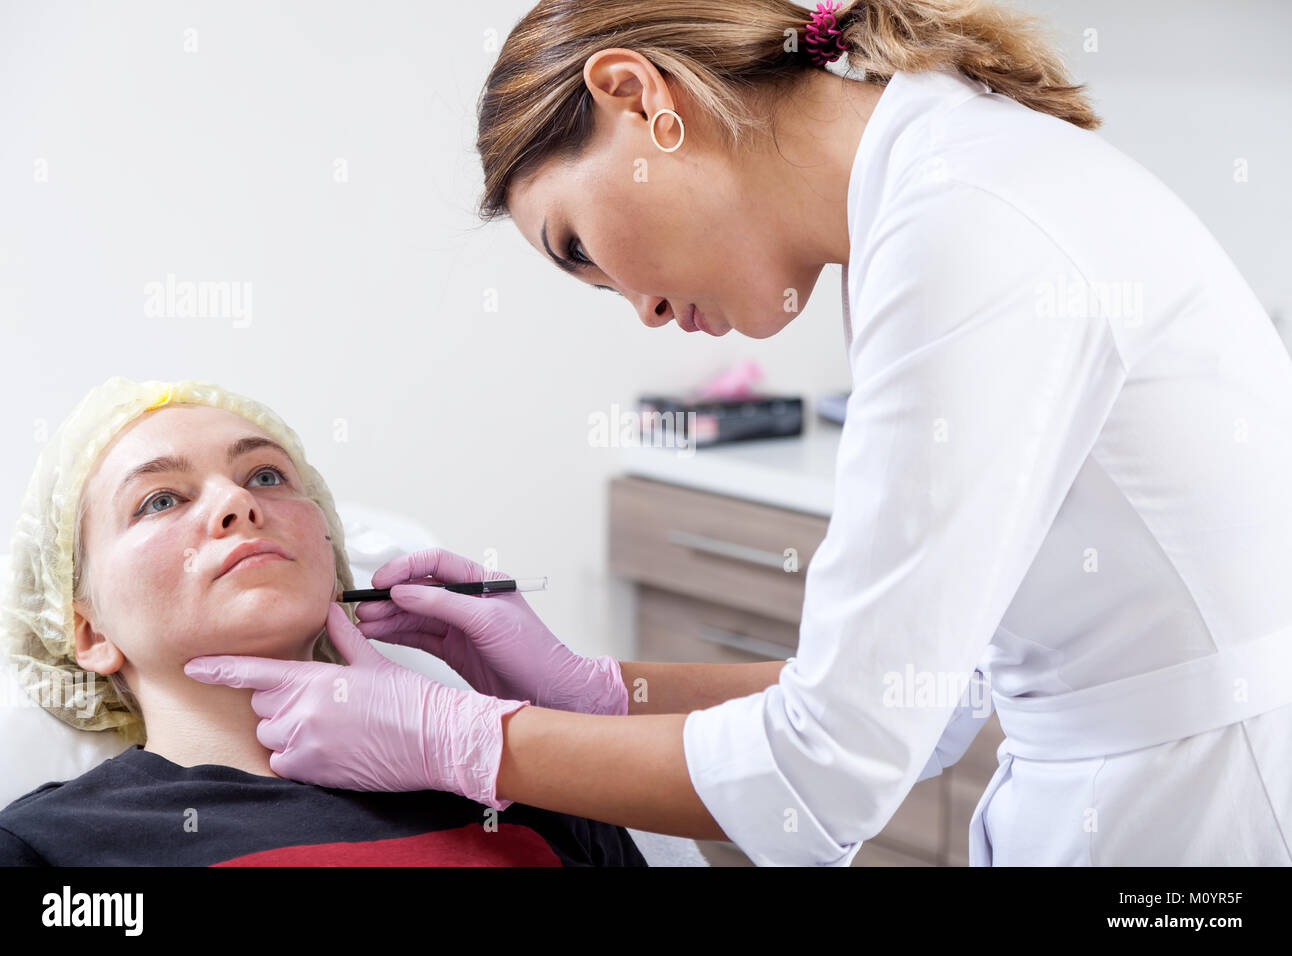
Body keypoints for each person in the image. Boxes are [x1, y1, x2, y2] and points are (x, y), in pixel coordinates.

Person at [189, 0, 1292, 866]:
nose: (643, 311)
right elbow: (934, 694)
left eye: (576, 244)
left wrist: (460, 739)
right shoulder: (930, 202)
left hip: (1212, 813)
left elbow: (831, 763)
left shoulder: (963, 225)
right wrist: (593, 688)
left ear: (639, 96)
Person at [0, 377, 646, 866]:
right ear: (89, 634)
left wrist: (568, 708)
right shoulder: (47, 848)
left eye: (268, 475)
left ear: (333, 562)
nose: (238, 502)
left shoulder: (523, 783)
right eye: (159, 500)